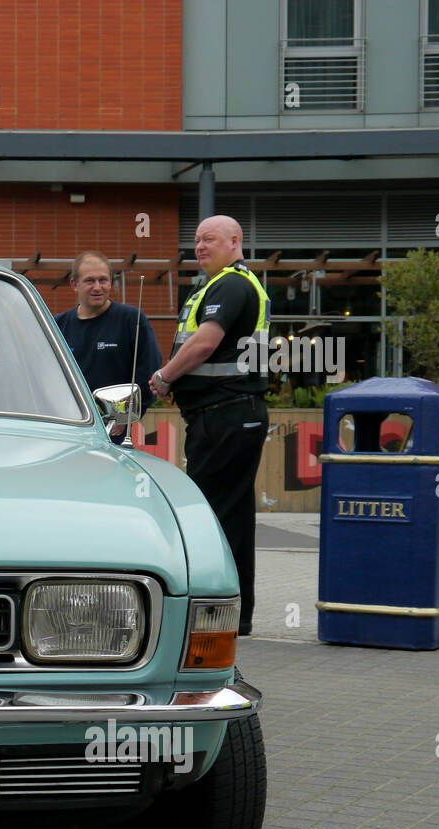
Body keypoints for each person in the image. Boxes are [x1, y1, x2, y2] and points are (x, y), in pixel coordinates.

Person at [149, 215, 270, 636]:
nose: (200, 247)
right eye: (197, 240)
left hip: (227, 414)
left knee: (211, 515)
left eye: (210, 239)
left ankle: (216, 616)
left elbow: (205, 342)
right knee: (230, 515)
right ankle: (235, 615)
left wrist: (165, 376)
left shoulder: (231, 285)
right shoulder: (221, 285)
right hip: (230, 415)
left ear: (235, 241)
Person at [55, 251, 162, 434]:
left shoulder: (132, 320)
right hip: (69, 427)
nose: (97, 287)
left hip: (114, 430)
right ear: (74, 284)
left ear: (111, 282)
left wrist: (125, 418)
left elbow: (148, 373)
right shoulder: (58, 326)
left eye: (103, 280)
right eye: (90, 281)